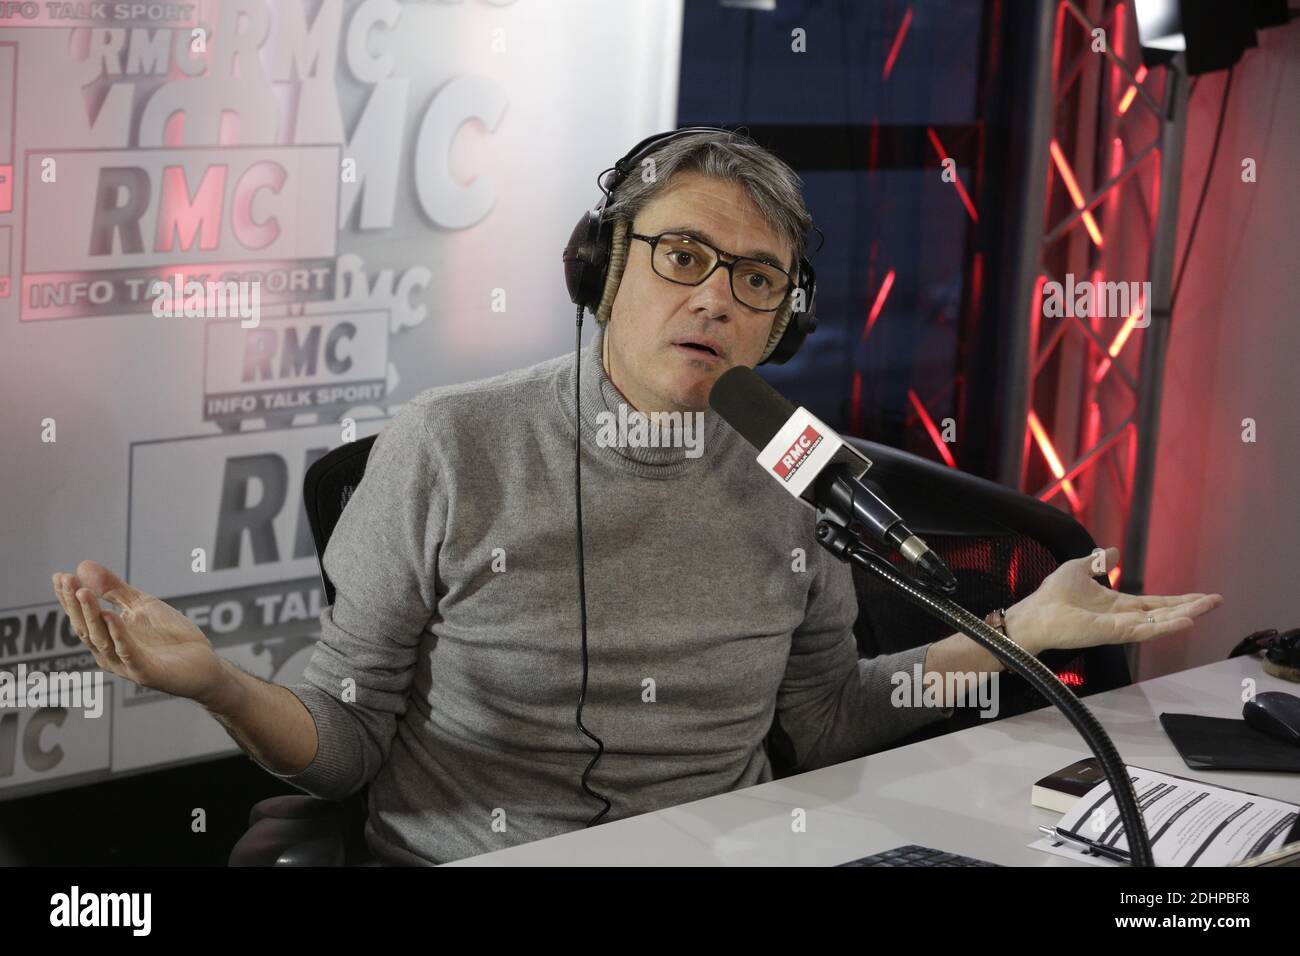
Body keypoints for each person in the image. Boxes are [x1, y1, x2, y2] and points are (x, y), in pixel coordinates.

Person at [49, 131, 1223, 865]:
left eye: (754, 278)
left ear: (782, 321)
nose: (715, 297)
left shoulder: (789, 466)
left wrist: (1018, 632)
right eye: (681, 255)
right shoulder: (449, 449)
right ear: (601, 267)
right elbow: (345, 745)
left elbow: (828, 721)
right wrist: (214, 681)